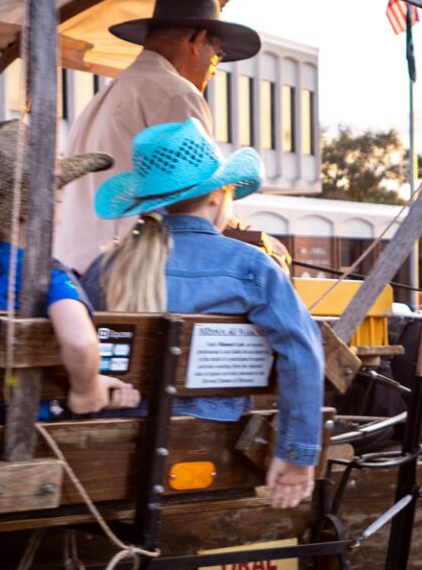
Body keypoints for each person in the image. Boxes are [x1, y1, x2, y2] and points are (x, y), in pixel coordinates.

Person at [82, 120, 321, 510]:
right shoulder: (252, 267)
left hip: (111, 455)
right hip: (213, 450)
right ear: (217, 194)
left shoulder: (108, 266)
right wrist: (296, 455)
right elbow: (302, 351)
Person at [0, 121, 140, 425]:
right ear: (28, 212)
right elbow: (80, 341)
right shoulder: (43, 273)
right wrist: (88, 390)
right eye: (57, 203)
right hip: (4, 433)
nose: (59, 217)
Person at [54, 0, 261, 275]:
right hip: (128, 274)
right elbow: (195, 201)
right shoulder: (177, 92)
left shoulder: (111, 92)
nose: (214, 69)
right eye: (217, 56)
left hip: (76, 266)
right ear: (197, 40)